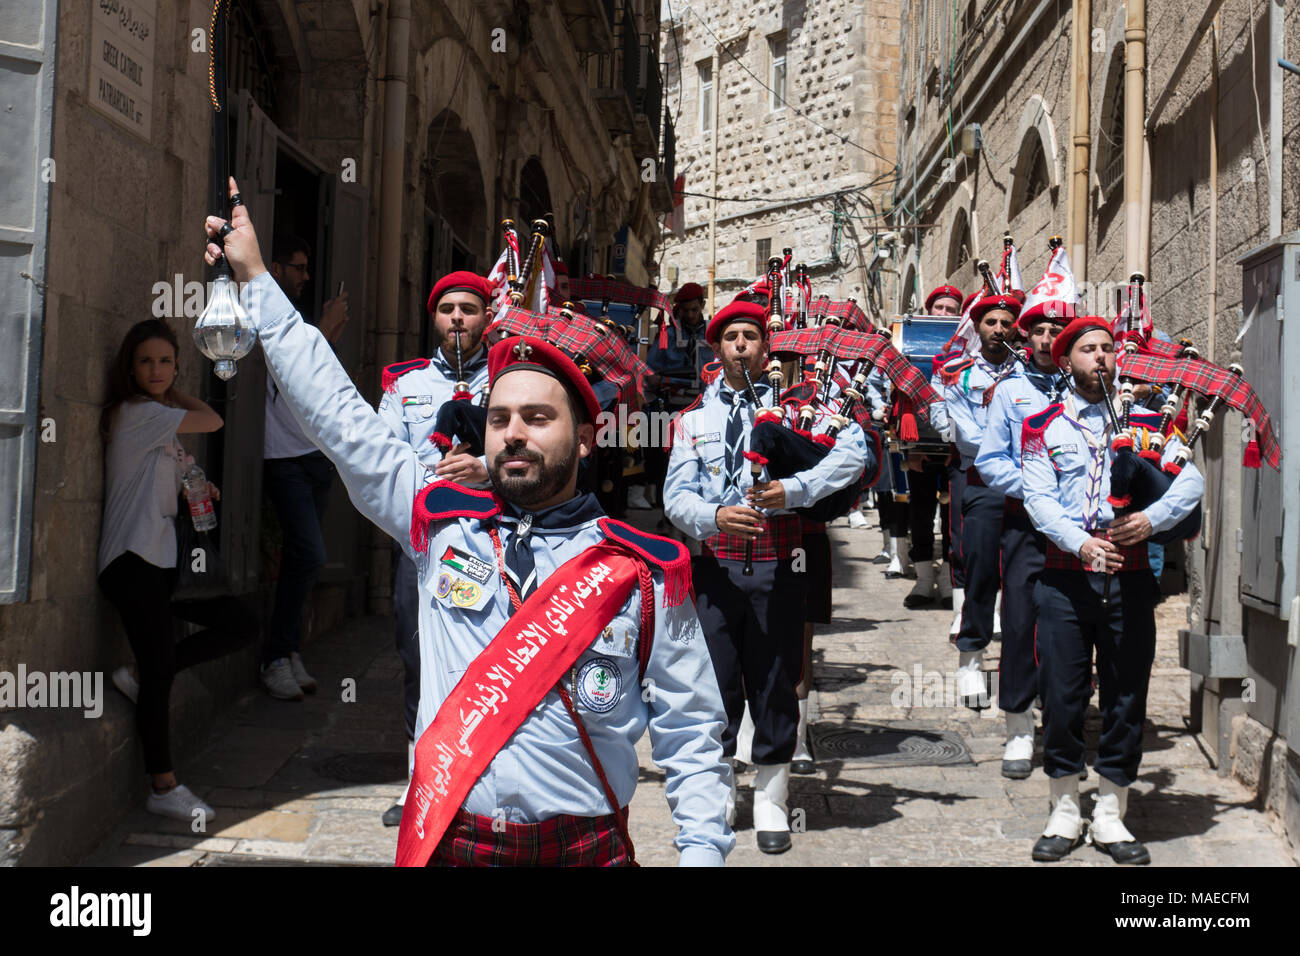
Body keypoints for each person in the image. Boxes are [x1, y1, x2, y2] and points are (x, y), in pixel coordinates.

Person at [205, 180, 732, 866]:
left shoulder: (644, 572)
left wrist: (702, 857)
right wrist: (254, 277)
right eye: (499, 419)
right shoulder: (437, 524)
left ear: (584, 439)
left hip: (584, 850)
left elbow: (692, 735)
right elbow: (338, 416)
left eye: (538, 419)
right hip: (454, 843)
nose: (513, 433)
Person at [663, 298, 868, 853]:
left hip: (781, 563)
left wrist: (795, 490)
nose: (741, 346)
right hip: (715, 567)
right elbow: (675, 496)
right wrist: (711, 517)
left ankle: (775, 798)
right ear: (716, 348)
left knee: (776, 680)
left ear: (765, 347)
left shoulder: (801, 409)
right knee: (715, 687)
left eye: (750, 336)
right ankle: (721, 793)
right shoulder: (692, 419)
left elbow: (854, 452)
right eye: (731, 337)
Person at [1022, 317, 1203, 864]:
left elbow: (1189, 480)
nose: (1099, 357)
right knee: (1061, 695)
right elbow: (1038, 499)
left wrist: (1151, 520)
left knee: (1127, 695)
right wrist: (1080, 544)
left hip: (1129, 578)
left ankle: (1110, 810)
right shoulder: (1042, 424)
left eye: (1106, 348)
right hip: (1065, 577)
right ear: (1066, 359)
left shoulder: (1149, 423)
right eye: (1087, 349)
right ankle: (1063, 806)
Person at [98, 319, 258, 822]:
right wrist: (173, 393)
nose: (156, 370)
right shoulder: (137, 412)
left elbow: (183, 475)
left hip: (165, 561)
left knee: (240, 625)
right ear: (130, 368)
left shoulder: (161, 426)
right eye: (146, 361)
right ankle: (163, 785)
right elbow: (212, 418)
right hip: (131, 558)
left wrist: (198, 490)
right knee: (163, 676)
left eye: (166, 361)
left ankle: (147, 672)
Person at [374, 270, 493, 826]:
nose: (458, 318)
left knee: (482, 662)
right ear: (434, 317)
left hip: (494, 546)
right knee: (418, 660)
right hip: (423, 546)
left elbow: (544, 449)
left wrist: (487, 469)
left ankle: (476, 780)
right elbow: (382, 460)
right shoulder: (405, 386)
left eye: (469, 308)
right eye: (448, 308)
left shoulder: (513, 379)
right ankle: (415, 780)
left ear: (485, 317)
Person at [973, 298, 1071, 777]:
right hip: (1025, 523)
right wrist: (1036, 489)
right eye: (1039, 331)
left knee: (1070, 625)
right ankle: (1017, 728)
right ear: (1025, 337)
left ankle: (1064, 722)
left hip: (1076, 530)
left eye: (1058, 330)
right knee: (1018, 621)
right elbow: (991, 461)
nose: (1048, 339)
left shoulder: (1090, 392)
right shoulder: (1009, 392)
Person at [261, 234, 350, 701]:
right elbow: (286, 367)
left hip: (313, 454)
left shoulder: (301, 320)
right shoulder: (267, 309)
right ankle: (275, 656)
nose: (305, 276)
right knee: (310, 553)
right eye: (297, 266)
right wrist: (324, 328)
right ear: (274, 268)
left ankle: (288, 650)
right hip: (283, 456)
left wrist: (327, 335)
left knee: (304, 560)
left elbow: (314, 383)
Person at [937, 293, 1021, 707]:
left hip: (1027, 484)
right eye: (991, 322)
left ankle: (1023, 667)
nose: (999, 330)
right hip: (984, 482)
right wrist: (1011, 444)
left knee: (1024, 578)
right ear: (978, 327)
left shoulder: (1030, 375)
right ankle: (971, 659)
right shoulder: (959, 374)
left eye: (1007, 323)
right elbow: (967, 435)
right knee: (981, 571)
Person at [642, 282, 713, 509]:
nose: (691, 315)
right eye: (686, 311)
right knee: (665, 455)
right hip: (671, 405)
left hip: (704, 405)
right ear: (678, 310)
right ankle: (667, 502)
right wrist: (655, 380)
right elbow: (649, 371)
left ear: (702, 305)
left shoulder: (713, 333)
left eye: (695, 309)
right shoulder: (667, 334)